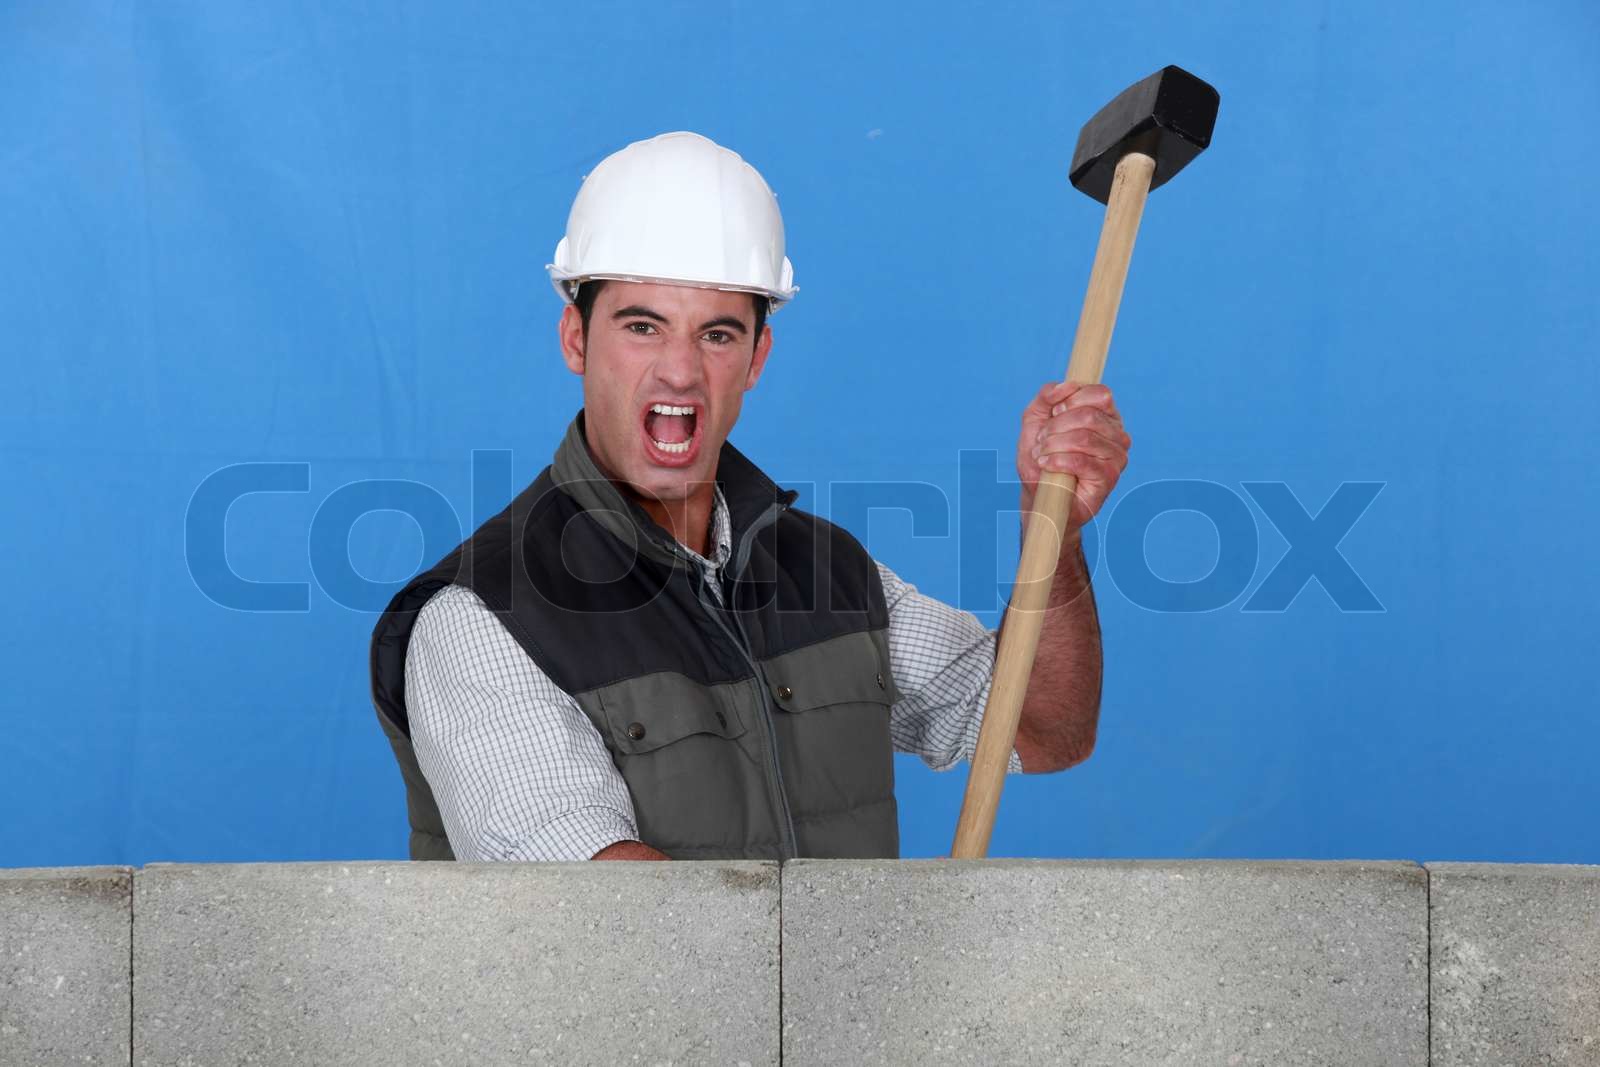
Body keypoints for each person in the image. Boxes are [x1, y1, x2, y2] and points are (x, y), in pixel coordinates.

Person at [369, 131, 1130, 862]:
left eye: (718, 334)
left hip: (849, 997)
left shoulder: (833, 576)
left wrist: (1052, 536)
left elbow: (1045, 725)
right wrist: (879, 959)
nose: (679, 371)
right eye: (642, 326)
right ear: (576, 338)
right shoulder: (483, 617)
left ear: (758, 356)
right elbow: (596, 918)